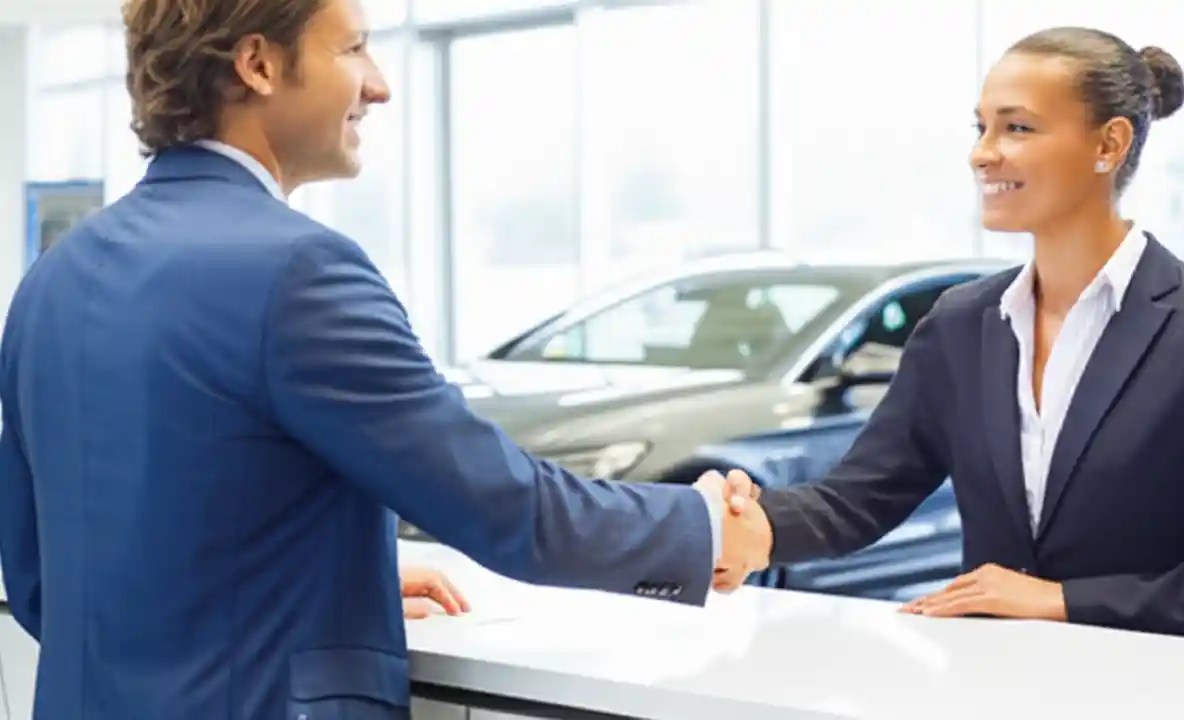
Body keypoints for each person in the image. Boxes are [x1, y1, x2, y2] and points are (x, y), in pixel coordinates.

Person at [0, 0, 766, 718]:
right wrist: (703, 529)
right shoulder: (299, 270)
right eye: (355, 48)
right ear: (259, 65)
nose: (381, 86)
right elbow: (507, 507)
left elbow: (41, 580)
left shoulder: (53, 280)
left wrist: (322, 587)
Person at [714, 26, 1184, 643]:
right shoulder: (960, 324)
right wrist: (750, 524)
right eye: (981, 127)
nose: (982, 153)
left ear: (1109, 144)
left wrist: (1062, 601)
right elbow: (859, 500)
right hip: (988, 689)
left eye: (1017, 128)